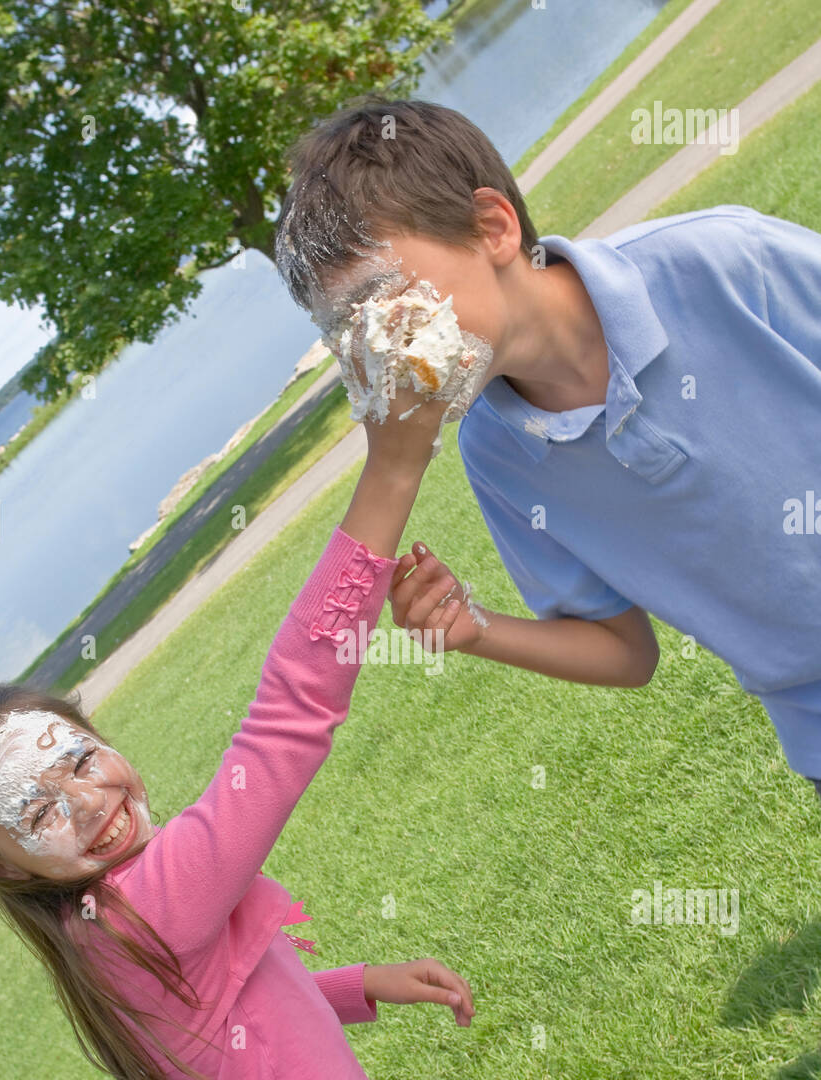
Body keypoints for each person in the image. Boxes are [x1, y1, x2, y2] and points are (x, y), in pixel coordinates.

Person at [0, 385, 570, 1080]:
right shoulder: (147, 901)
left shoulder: (104, 924)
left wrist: (357, 988)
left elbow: (231, 1030)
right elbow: (289, 713)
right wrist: (393, 467)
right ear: (7, 867)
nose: (87, 802)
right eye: (37, 810)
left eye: (79, 757)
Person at [276, 97, 821, 798]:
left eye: (382, 299)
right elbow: (624, 652)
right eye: (342, 332)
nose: (374, 349)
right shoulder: (496, 452)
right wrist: (473, 629)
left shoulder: (721, 262)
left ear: (491, 227)